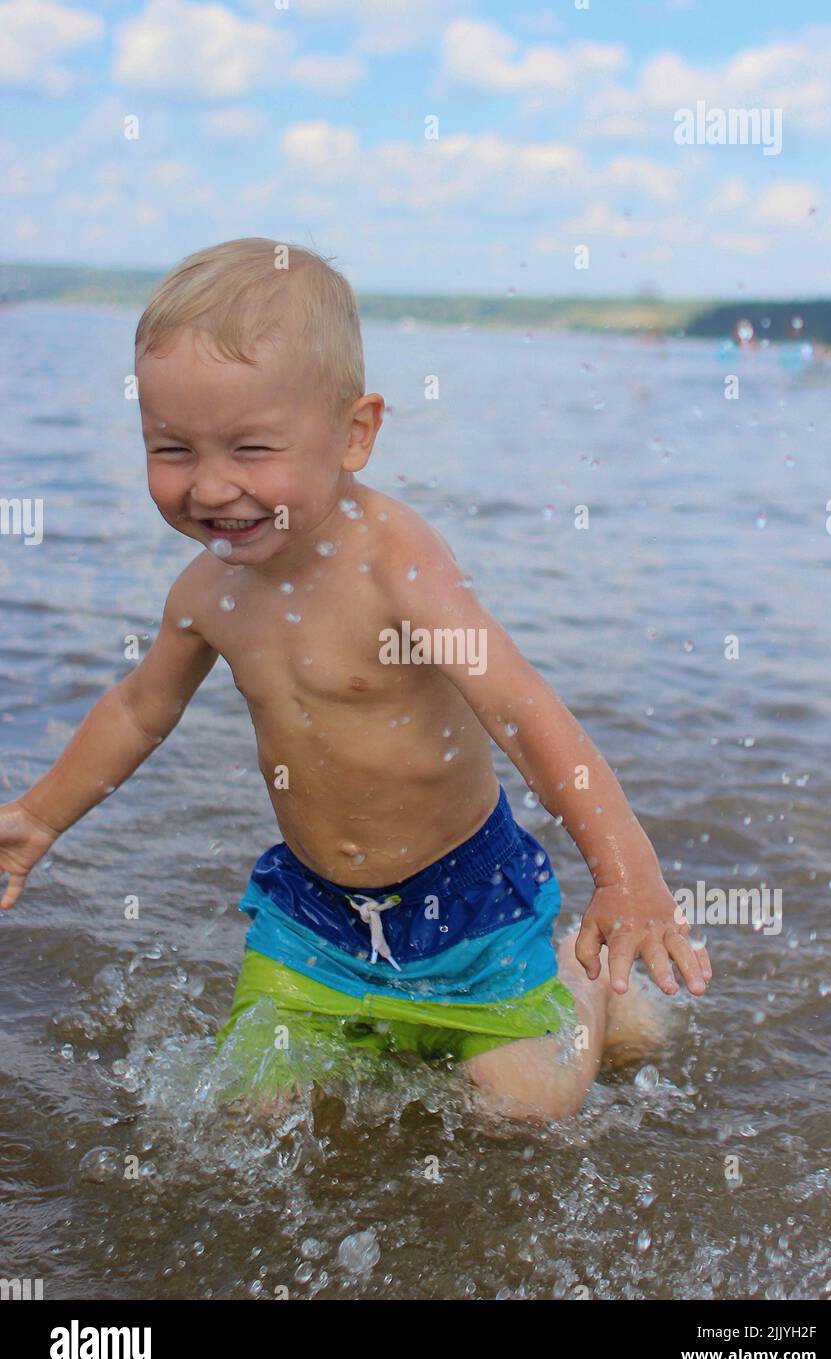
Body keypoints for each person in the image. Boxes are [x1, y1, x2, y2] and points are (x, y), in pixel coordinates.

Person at [0, 238, 710, 1122]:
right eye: (173, 449)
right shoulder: (209, 589)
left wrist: (626, 870)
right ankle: (347, 1011)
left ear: (354, 434)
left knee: (526, 1114)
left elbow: (522, 709)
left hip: (470, 907)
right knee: (245, 1116)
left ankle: (585, 986)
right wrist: (36, 819)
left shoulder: (394, 566)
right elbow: (141, 708)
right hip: (315, 916)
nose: (212, 488)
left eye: (252, 449)